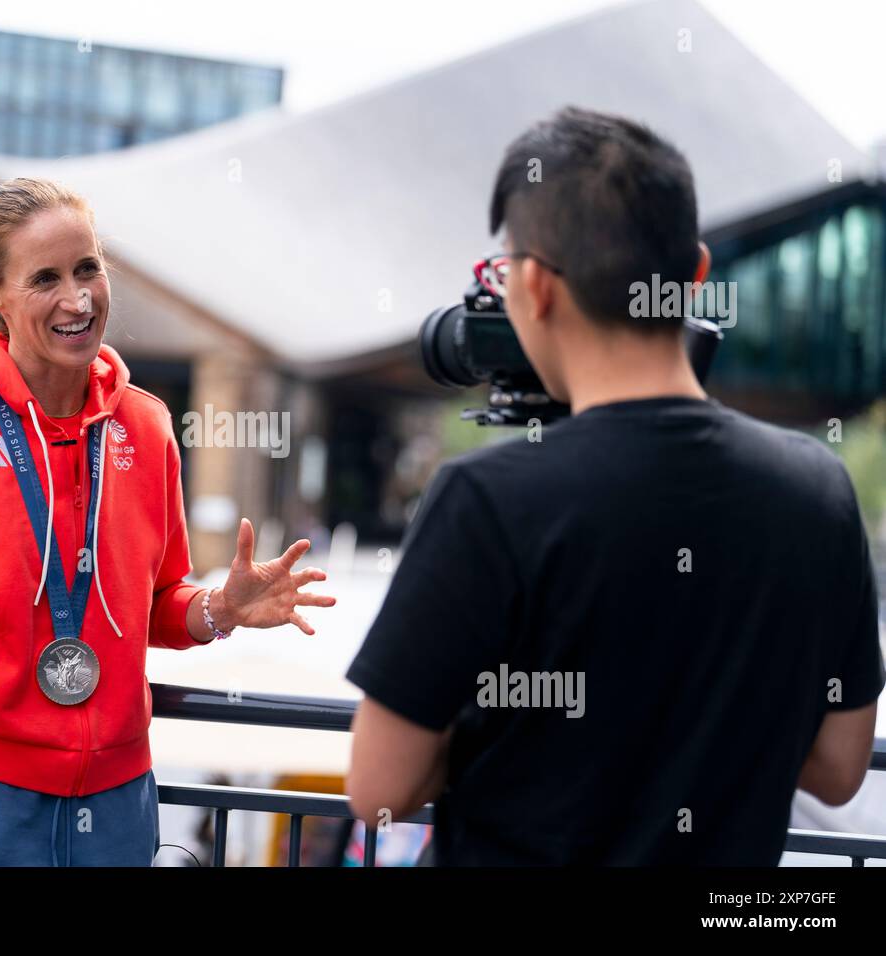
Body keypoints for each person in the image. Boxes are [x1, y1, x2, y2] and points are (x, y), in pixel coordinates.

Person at [344, 106, 885, 865]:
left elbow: (379, 788)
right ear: (694, 276)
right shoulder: (820, 491)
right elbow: (837, 769)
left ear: (532, 287)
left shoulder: (486, 499)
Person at [0, 177, 335, 866]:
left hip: (119, 789)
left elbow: (154, 607)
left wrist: (219, 608)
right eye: (46, 278)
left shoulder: (145, 426)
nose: (78, 298)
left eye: (88, 267)